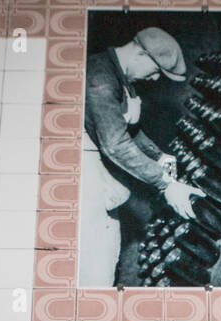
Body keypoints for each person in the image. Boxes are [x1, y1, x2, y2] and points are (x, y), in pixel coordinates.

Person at [80, 27, 205, 287]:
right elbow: (115, 143)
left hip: (99, 177)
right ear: (140, 53)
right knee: (95, 262)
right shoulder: (100, 79)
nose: (155, 79)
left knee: (107, 248)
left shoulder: (119, 77)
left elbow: (125, 129)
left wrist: (157, 155)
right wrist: (165, 183)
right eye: (157, 71)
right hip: (85, 179)